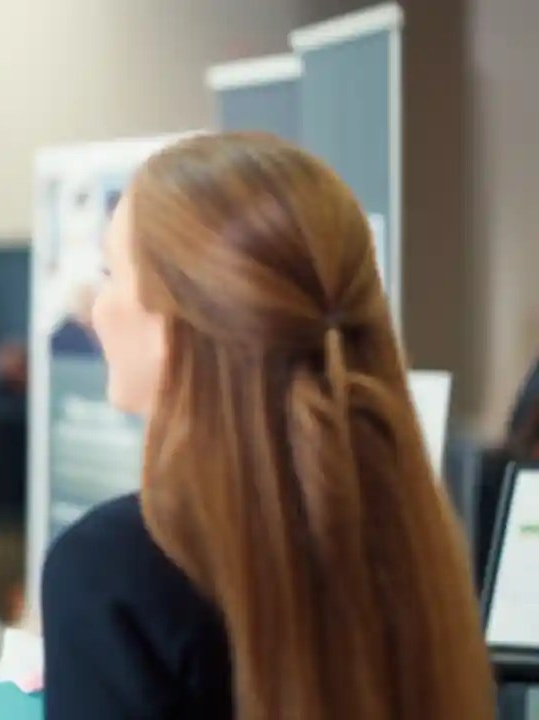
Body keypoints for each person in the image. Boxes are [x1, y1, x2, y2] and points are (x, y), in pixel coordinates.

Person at [41, 133, 495, 719]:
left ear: (180, 318)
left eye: (110, 273)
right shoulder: (407, 537)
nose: (93, 308)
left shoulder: (112, 570)